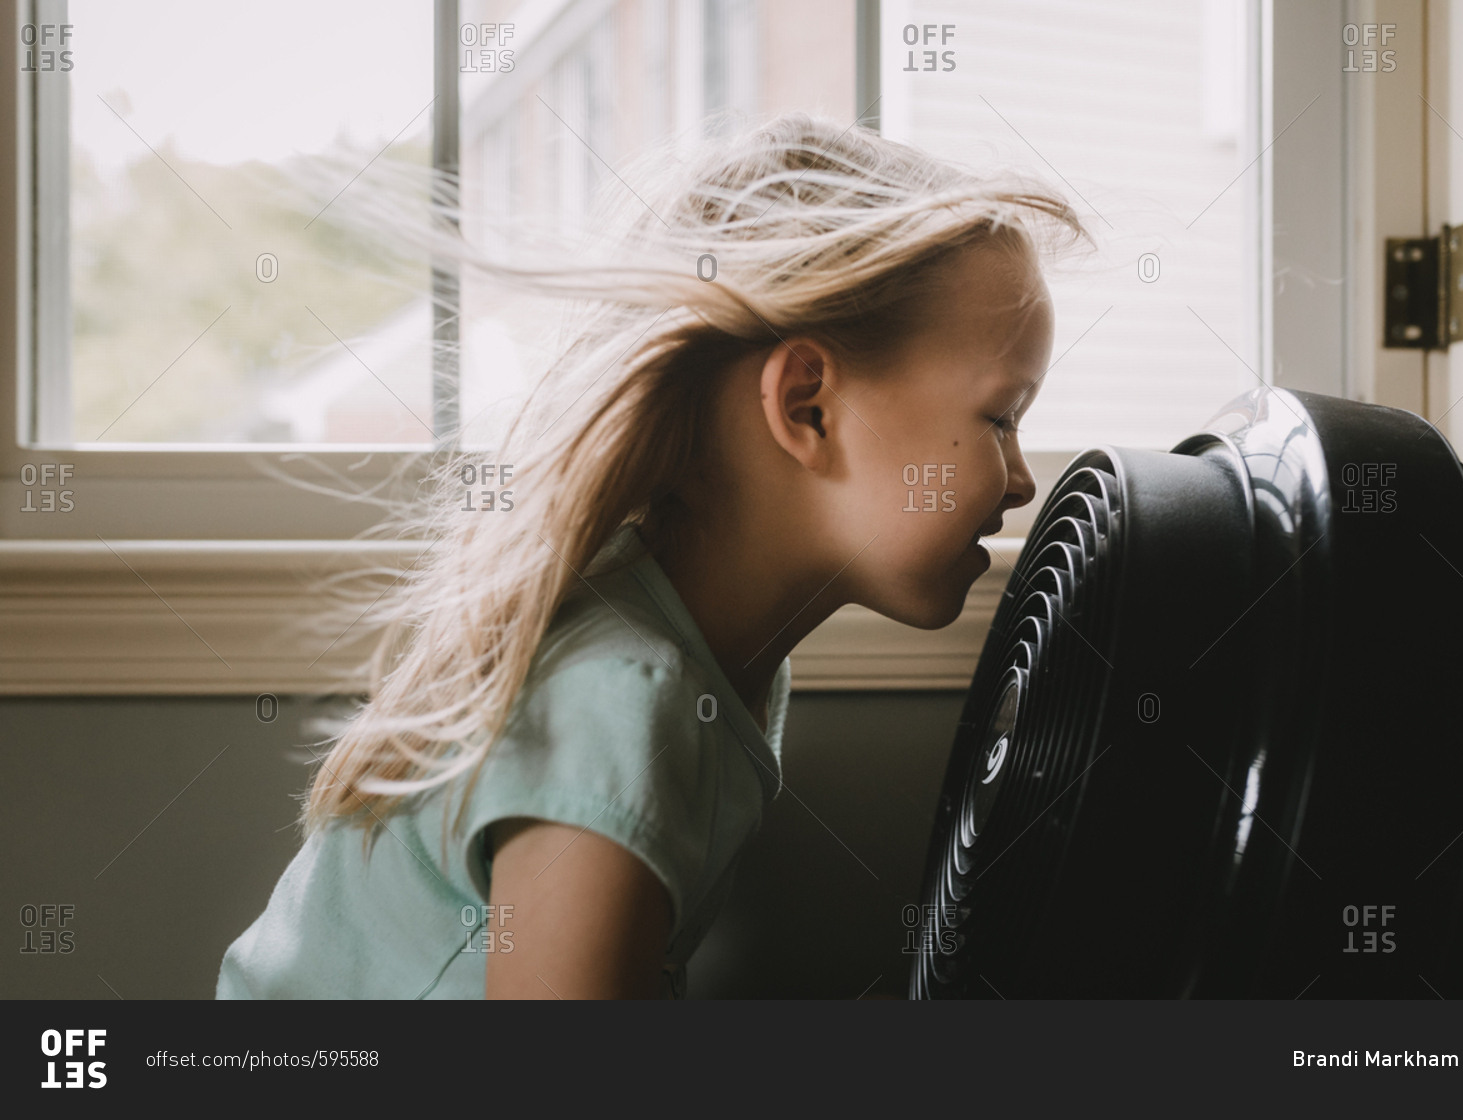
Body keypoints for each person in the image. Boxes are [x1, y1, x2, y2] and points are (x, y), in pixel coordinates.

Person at [216, 110, 1091, 999]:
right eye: (1001, 419)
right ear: (807, 407)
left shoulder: (717, 667)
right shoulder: (624, 700)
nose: (1021, 481)